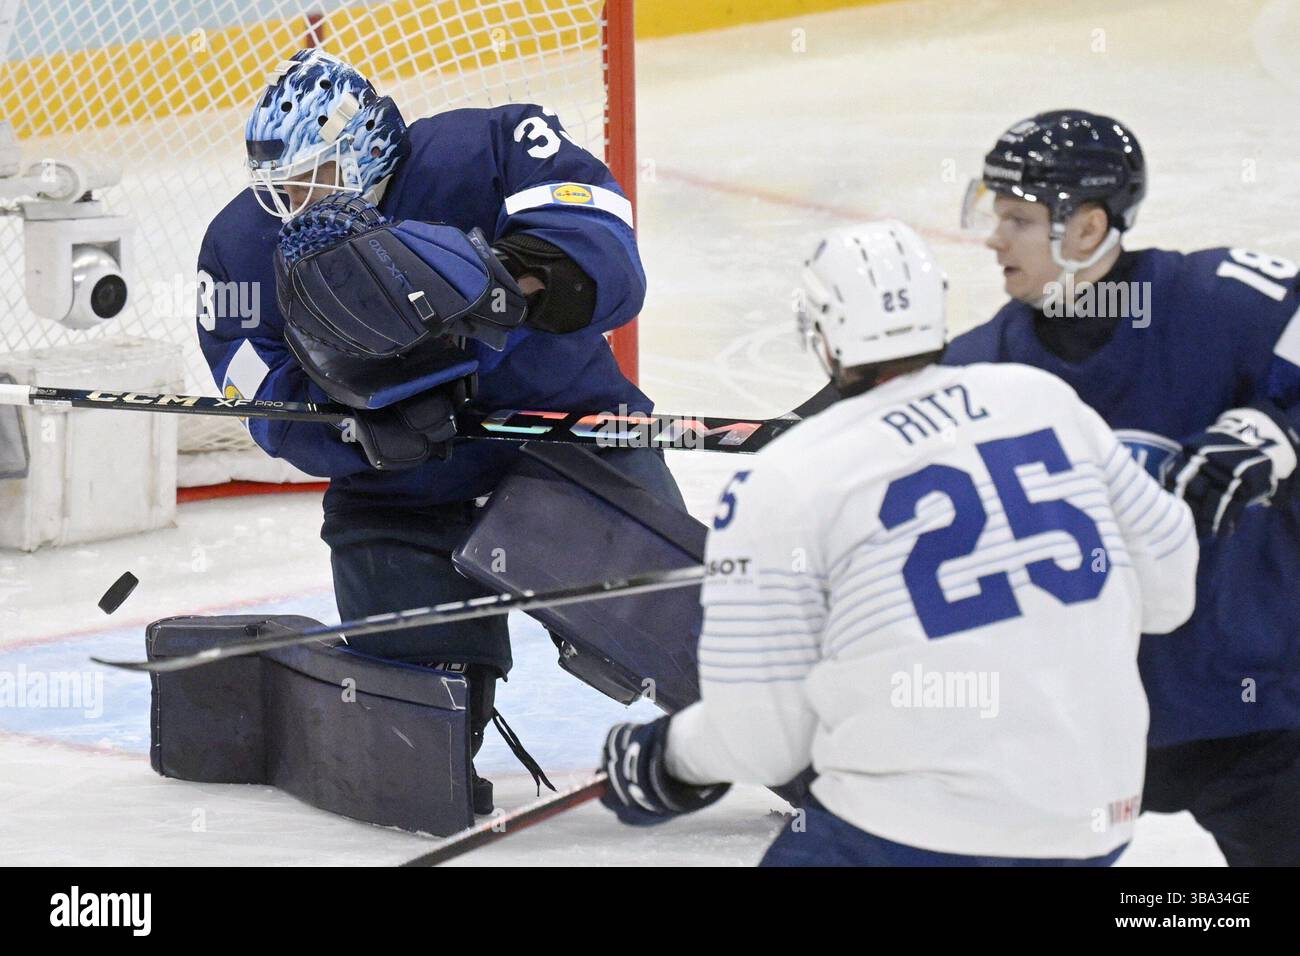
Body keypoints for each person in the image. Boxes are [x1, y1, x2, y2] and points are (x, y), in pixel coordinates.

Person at [596, 220, 1198, 866]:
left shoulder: (786, 477)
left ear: (820, 332)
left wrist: (668, 758)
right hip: (1095, 821)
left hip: (918, 835)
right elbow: (1170, 589)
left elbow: (762, 741)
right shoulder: (1043, 399)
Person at [195, 48, 684, 813]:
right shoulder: (238, 246)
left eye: (313, 178)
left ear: (364, 146)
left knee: (693, 645)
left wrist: (505, 285)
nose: (295, 204)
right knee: (411, 754)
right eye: (280, 189)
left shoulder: (489, 147)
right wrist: (353, 434)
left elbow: (604, 246)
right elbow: (259, 393)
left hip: (568, 445)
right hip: (402, 492)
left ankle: (785, 736)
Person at [945, 109, 1300, 865]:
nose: (993, 239)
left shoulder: (1219, 300)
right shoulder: (981, 367)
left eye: (1017, 218)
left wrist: (1277, 431)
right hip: (1074, 732)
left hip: (1255, 713)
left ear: (1085, 228)